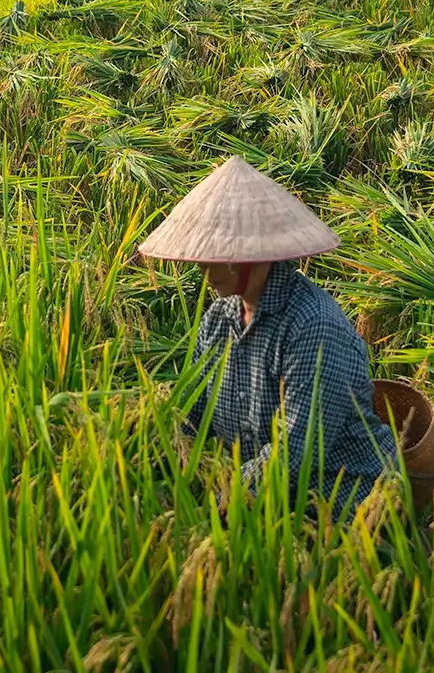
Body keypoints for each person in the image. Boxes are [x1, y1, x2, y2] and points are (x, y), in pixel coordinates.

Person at [139, 156, 396, 518]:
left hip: (337, 496)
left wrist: (222, 504)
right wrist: (145, 463)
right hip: (263, 490)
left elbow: (301, 446)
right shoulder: (219, 320)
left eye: (217, 258)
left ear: (255, 258)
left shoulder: (311, 325)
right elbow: (193, 413)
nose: (205, 272)